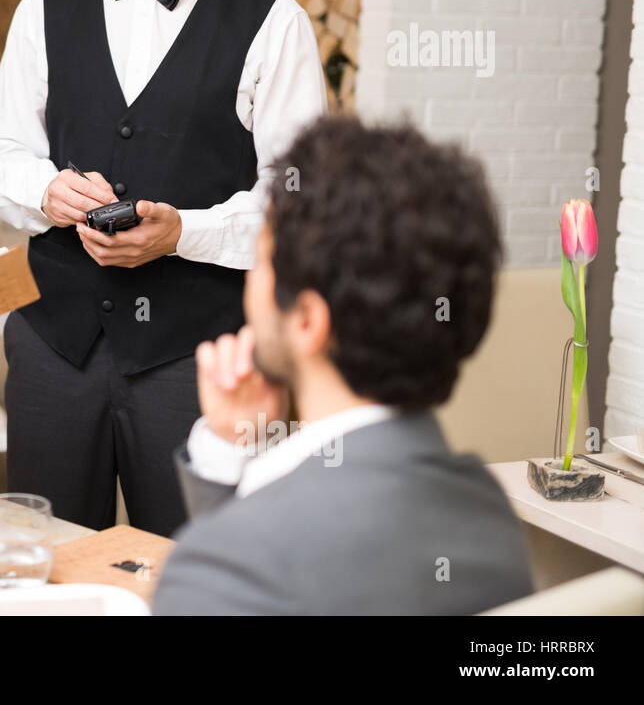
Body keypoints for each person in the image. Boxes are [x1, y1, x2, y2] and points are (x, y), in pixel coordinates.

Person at [0, 0, 327, 536]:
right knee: (46, 567)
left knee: (199, 569)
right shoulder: (45, 2)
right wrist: (47, 189)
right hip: (53, 347)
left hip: (200, 366)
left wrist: (181, 233)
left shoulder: (274, 23)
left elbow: (300, 208)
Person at [152, 115, 534, 615]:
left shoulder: (230, 568)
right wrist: (229, 448)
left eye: (260, 260)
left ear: (308, 320)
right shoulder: (489, 515)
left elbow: (245, 570)